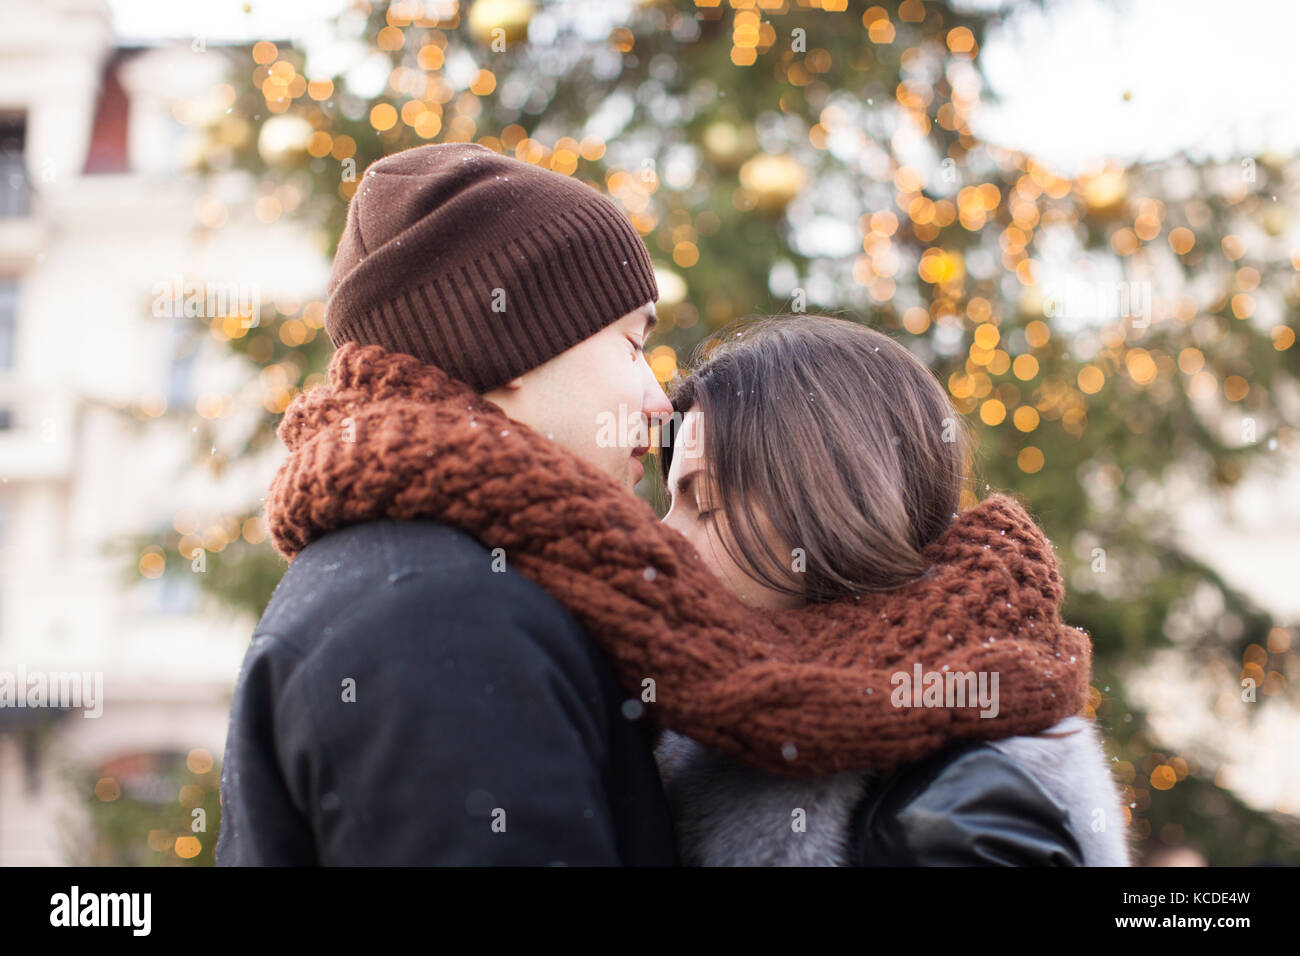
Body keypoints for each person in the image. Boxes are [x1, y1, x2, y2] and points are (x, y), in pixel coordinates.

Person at [223, 143, 1097, 866]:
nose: (652, 398)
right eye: (632, 343)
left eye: (705, 500)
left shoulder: (435, 583)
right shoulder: (443, 608)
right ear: (517, 342)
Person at [653, 316, 1133, 866]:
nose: (665, 537)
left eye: (705, 504)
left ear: (831, 503)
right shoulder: (699, 735)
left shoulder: (954, 814)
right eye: (667, 503)